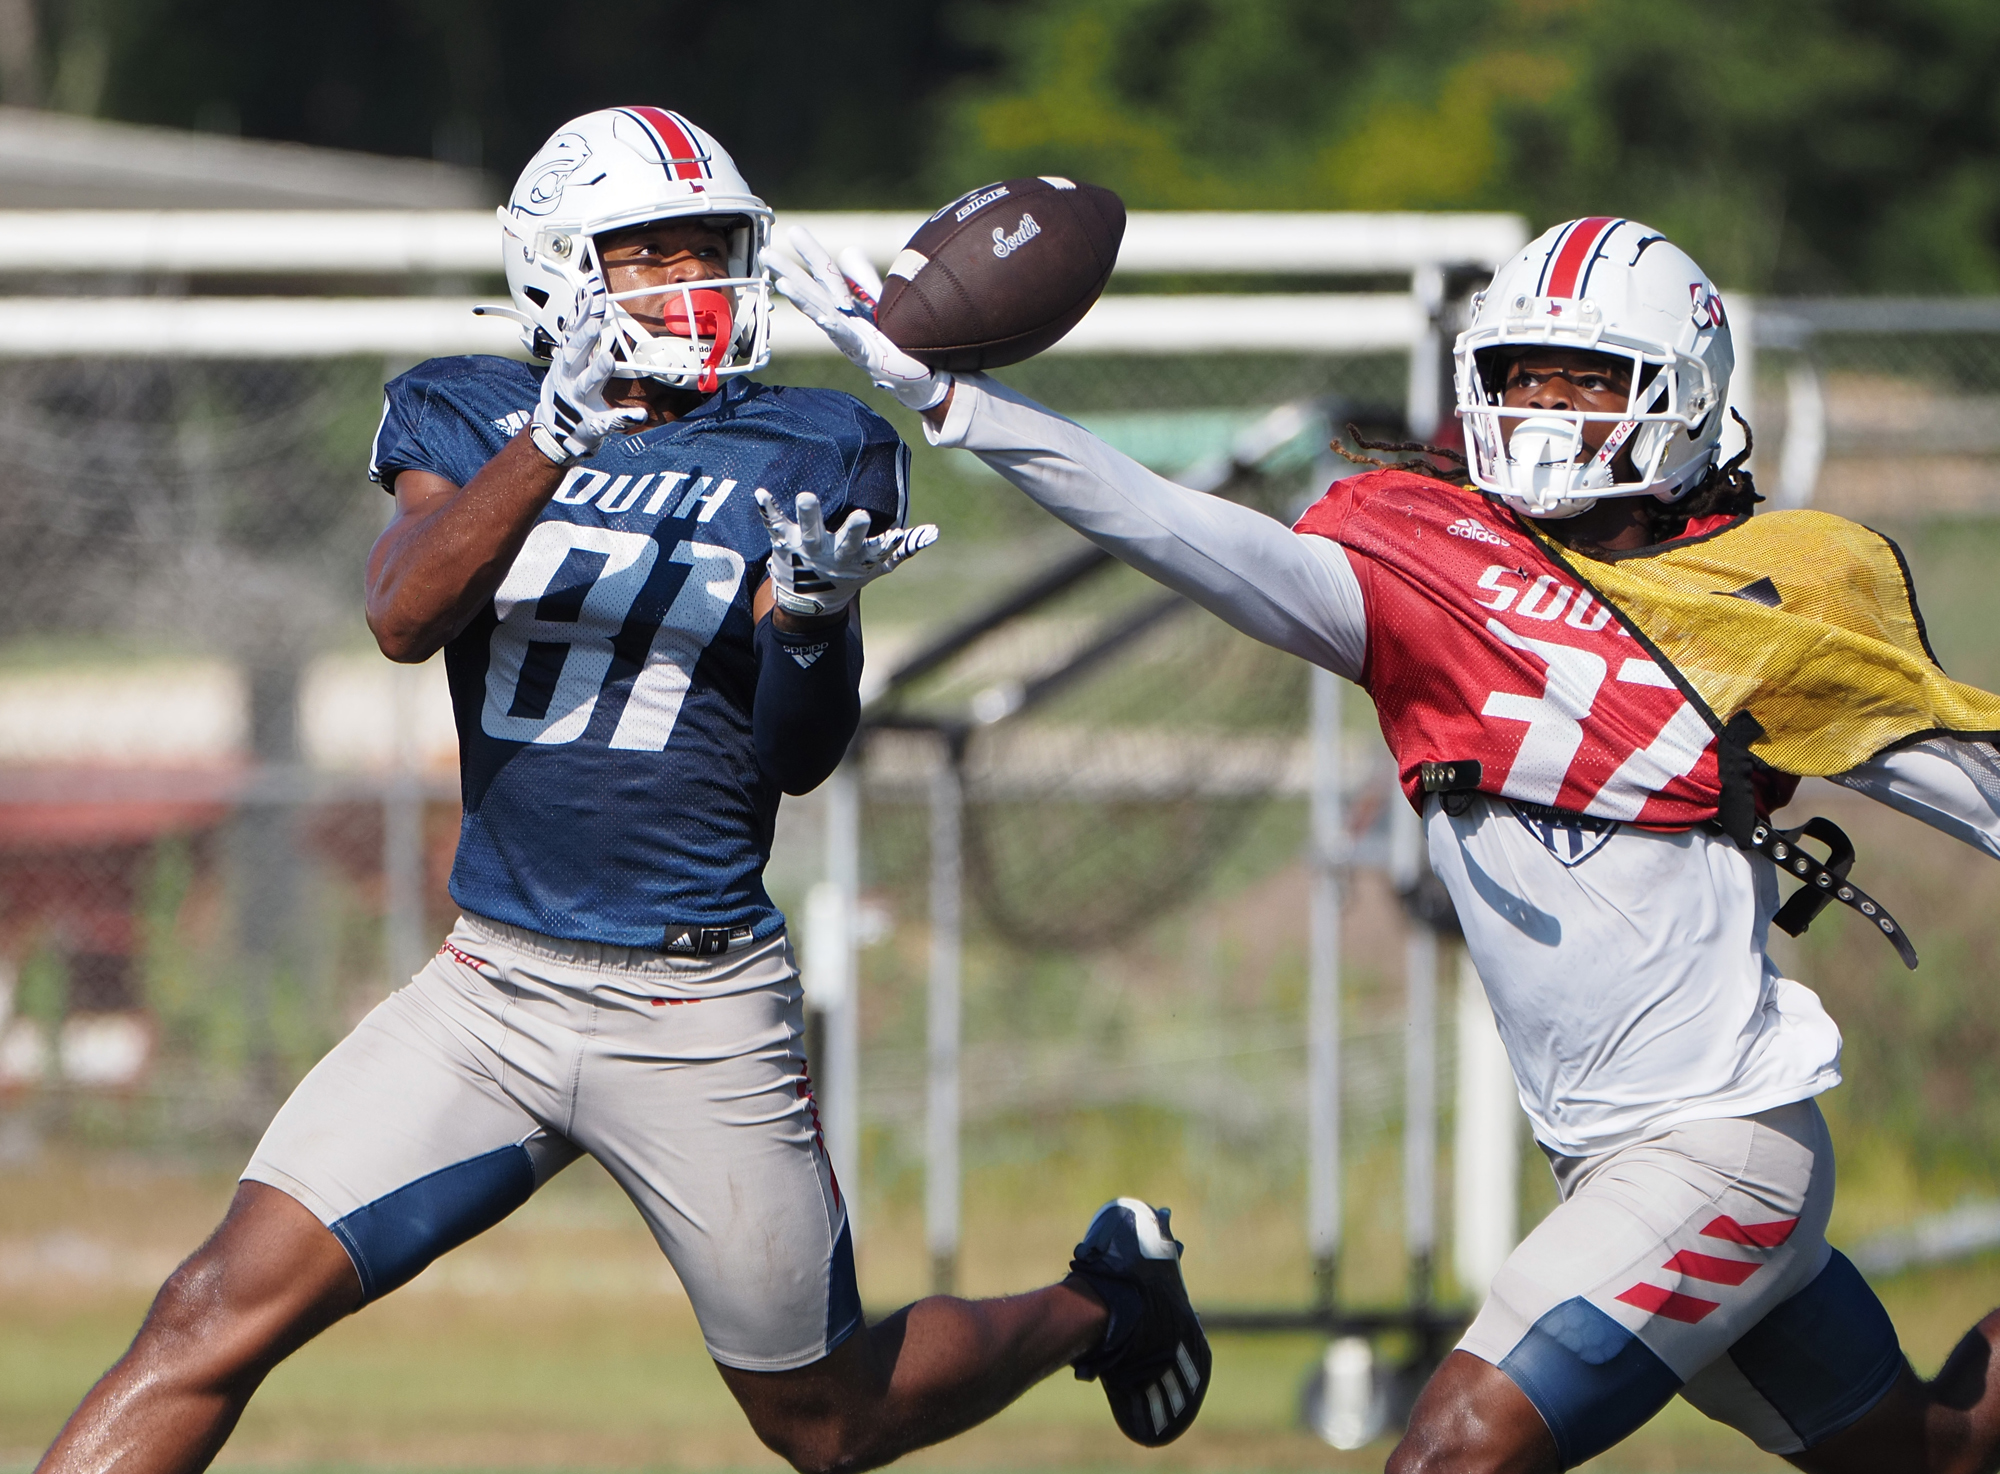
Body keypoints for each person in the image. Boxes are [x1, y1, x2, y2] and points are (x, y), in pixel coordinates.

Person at [32, 109, 1209, 1474]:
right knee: (206, 1314)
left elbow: (801, 754)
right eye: (653, 255)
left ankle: (1104, 1299)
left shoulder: (811, 442)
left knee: (831, 1419)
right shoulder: (469, 410)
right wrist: (549, 440)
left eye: (712, 249)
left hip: (691, 1004)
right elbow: (404, 613)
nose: (696, 284)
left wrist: (815, 625)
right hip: (489, 996)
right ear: (558, 270)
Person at [778, 212, 2000, 1472]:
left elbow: (1968, 779)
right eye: (1522, 374)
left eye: (1589, 380)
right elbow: (1172, 525)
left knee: (1452, 1453)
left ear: (1680, 402)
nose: (1545, 409)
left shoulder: (1768, 590)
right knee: (1938, 1450)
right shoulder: (1426, 559)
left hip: (1718, 1149)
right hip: (1603, 1154)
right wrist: (960, 402)